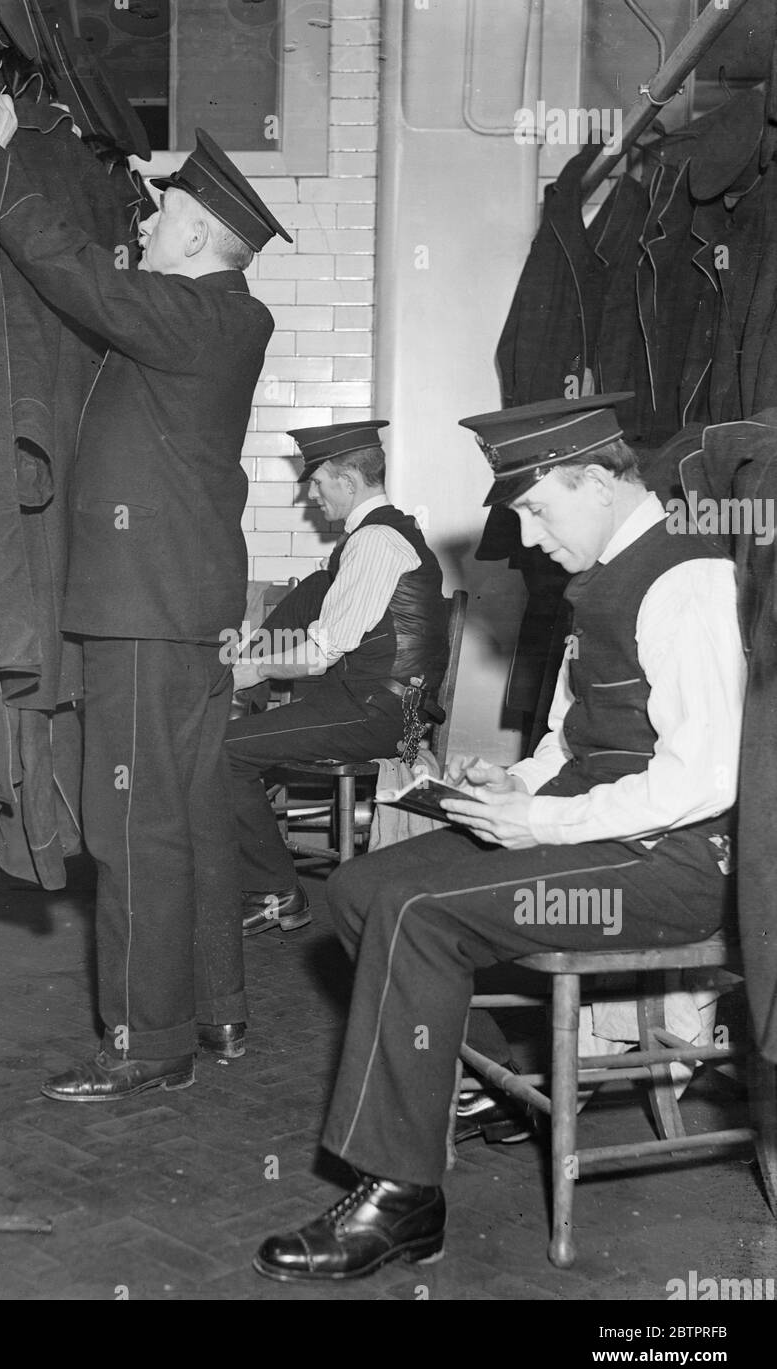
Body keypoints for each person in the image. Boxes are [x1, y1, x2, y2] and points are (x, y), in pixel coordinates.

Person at [252, 393, 746, 1281]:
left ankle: (402, 1198)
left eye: (533, 507)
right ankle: (467, 1074)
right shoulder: (598, 578)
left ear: (596, 481)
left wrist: (542, 819)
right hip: (596, 837)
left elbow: (708, 776)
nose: (522, 534)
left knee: (419, 914)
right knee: (361, 889)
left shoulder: (687, 577)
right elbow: (572, 737)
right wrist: (512, 783)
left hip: (672, 863)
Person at [0, 93, 292, 1098]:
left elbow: (72, 275)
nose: (142, 225)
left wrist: (5, 154)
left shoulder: (198, 315)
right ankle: (215, 1013)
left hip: (144, 617)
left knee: (131, 830)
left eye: (158, 216)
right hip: (180, 613)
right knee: (191, 819)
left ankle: (145, 1045)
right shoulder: (215, 319)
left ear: (198, 234)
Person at [228, 421, 449, 936]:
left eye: (319, 481)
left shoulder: (376, 541)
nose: (312, 493)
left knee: (221, 749)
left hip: (382, 713)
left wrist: (253, 669)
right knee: (313, 586)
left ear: (349, 482)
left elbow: (321, 654)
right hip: (376, 704)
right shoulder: (375, 538)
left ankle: (275, 893)